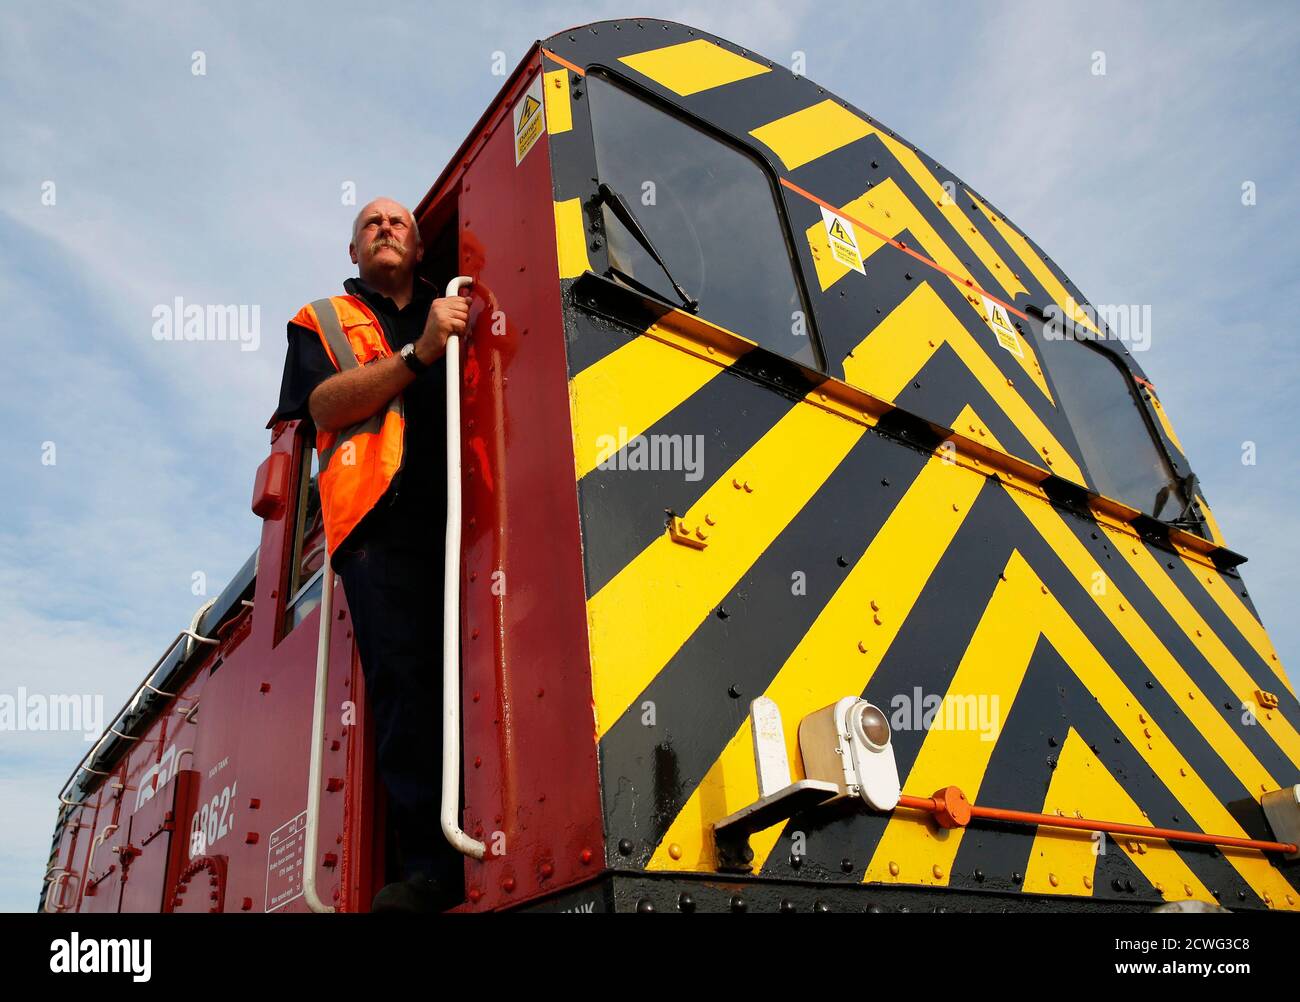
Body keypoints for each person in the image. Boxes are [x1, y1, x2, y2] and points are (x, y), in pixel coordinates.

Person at [271, 197, 470, 912]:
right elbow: (323, 406)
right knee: (407, 688)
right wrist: (419, 354)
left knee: (475, 674)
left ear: (422, 250)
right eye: (370, 224)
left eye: (400, 224)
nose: (386, 229)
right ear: (353, 251)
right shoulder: (322, 318)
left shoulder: (462, 300)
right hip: (379, 531)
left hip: (473, 519)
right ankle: (431, 867)